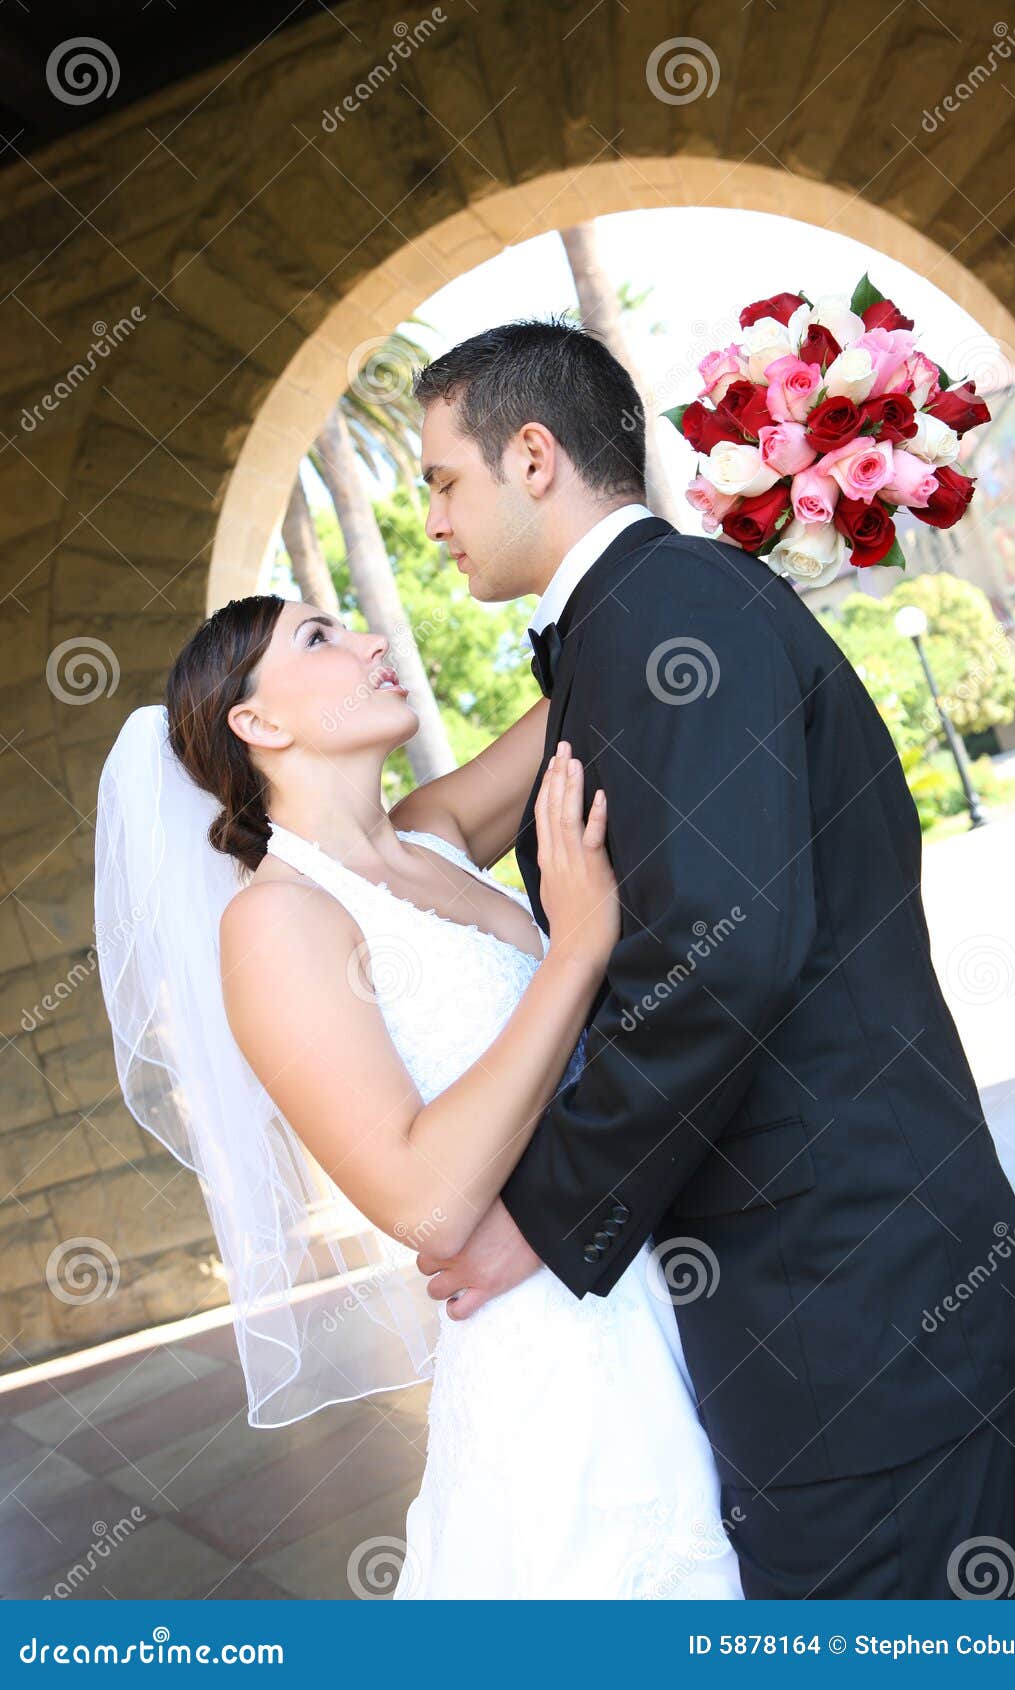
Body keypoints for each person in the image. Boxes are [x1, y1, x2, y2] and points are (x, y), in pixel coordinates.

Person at [408, 317, 1015, 1599]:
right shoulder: (630, 625)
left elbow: (719, 957)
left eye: (442, 481)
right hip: (829, 1305)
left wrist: (542, 1212)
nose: (431, 521)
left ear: (532, 456)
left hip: (849, 1303)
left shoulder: (671, 608)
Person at [95, 592, 744, 1600]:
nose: (371, 639)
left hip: (662, 1270)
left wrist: (759, 518)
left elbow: (605, 683)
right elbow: (424, 1204)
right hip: (559, 1359)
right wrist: (576, 947)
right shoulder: (276, 920)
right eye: (319, 638)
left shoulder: (433, 831)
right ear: (258, 723)